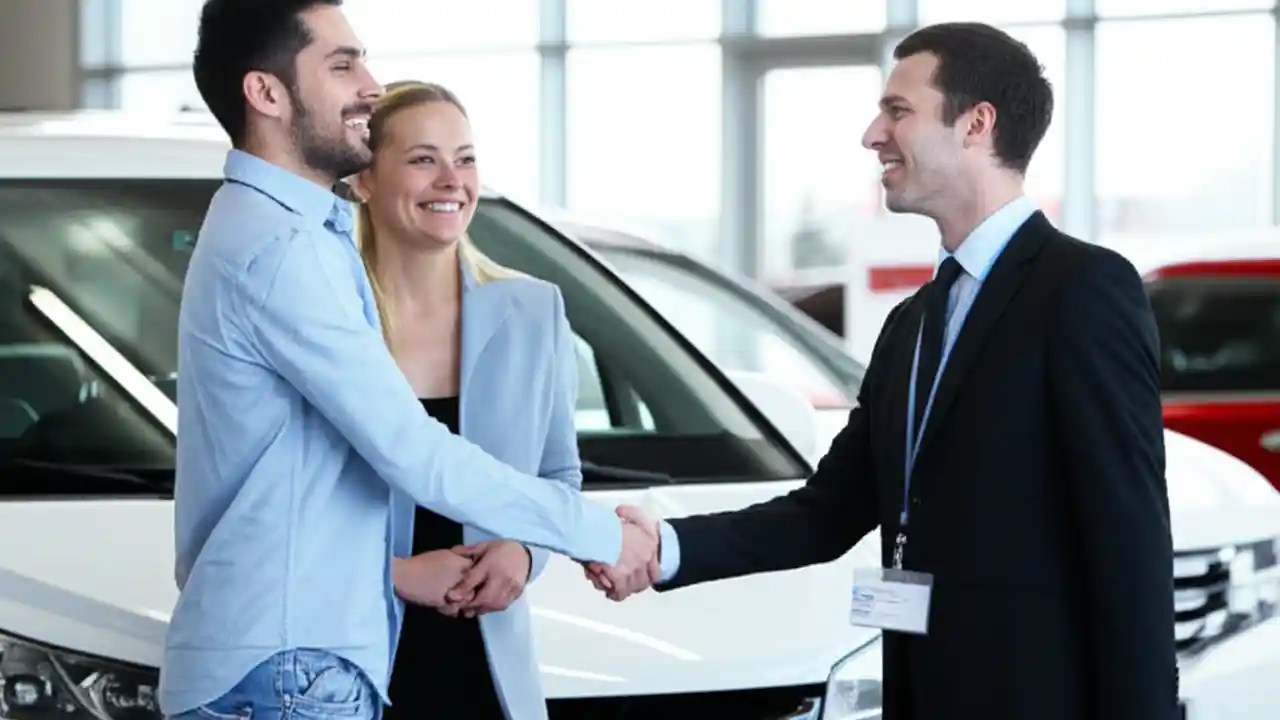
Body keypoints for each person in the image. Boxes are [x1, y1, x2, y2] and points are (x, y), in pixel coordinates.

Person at [589, 21, 1179, 720]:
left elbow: (1128, 545)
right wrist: (668, 548)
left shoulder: (1081, 289)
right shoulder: (915, 322)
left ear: (976, 124)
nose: (873, 135)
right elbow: (828, 510)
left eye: (898, 110)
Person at [162, 2, 657, 719]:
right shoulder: (284, 250)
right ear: (266, 94)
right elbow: (416, 453)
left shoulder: (286, 232)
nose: (370, 83)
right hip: (293, 668)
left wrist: (534, 546)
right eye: (342, 64)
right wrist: (606, 533)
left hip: (297, 658)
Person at [344, 79, 570, 720]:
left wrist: (526, 553)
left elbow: (558, 479)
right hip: (348, 663)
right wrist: (397, 575)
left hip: (488, 671)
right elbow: (279, 514)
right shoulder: (327, 320)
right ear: (363, 177)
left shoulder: (533, 311)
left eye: (464, 158)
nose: (452, 180)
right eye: (423, 159)